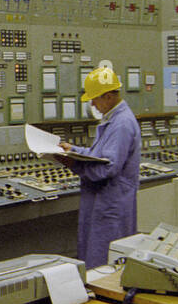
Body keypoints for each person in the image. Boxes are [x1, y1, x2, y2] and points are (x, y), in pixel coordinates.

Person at [55, 64, 141, 269]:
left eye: (94, 98)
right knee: (95, 257)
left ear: (108, 96)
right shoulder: (114, 120)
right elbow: (100, 156)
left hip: (111, 204)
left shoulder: (121, 124)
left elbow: (107, 168)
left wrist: (73, 163)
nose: (92, 104)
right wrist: (73, 149)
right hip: (105, 202)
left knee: (104, 265)